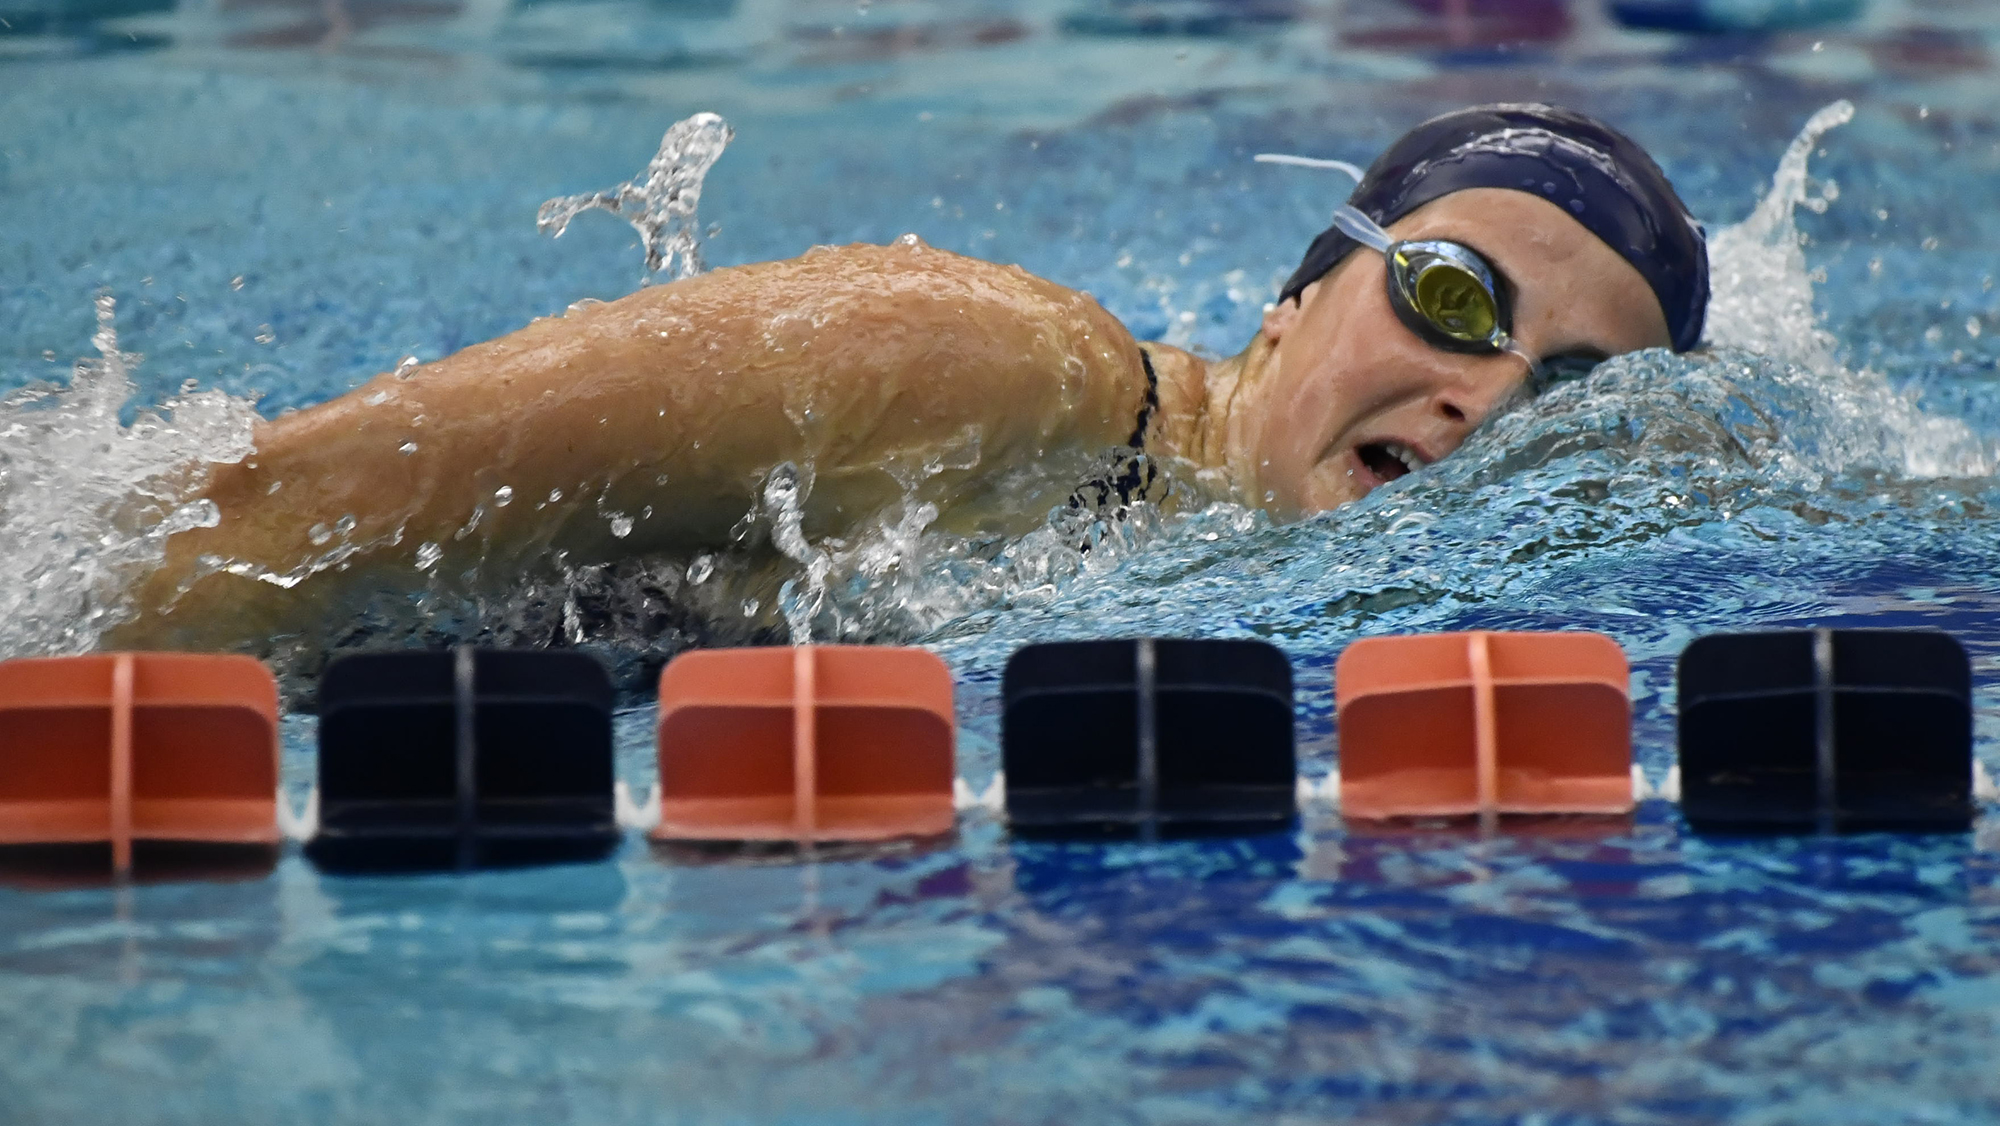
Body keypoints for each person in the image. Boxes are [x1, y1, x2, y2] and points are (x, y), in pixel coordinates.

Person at [110, 103, 1708, 653]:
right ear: (1294, 303)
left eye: (1571, 393)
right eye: (1452, 298)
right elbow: (287, 502)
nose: (1487, 399)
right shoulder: (997, 373)